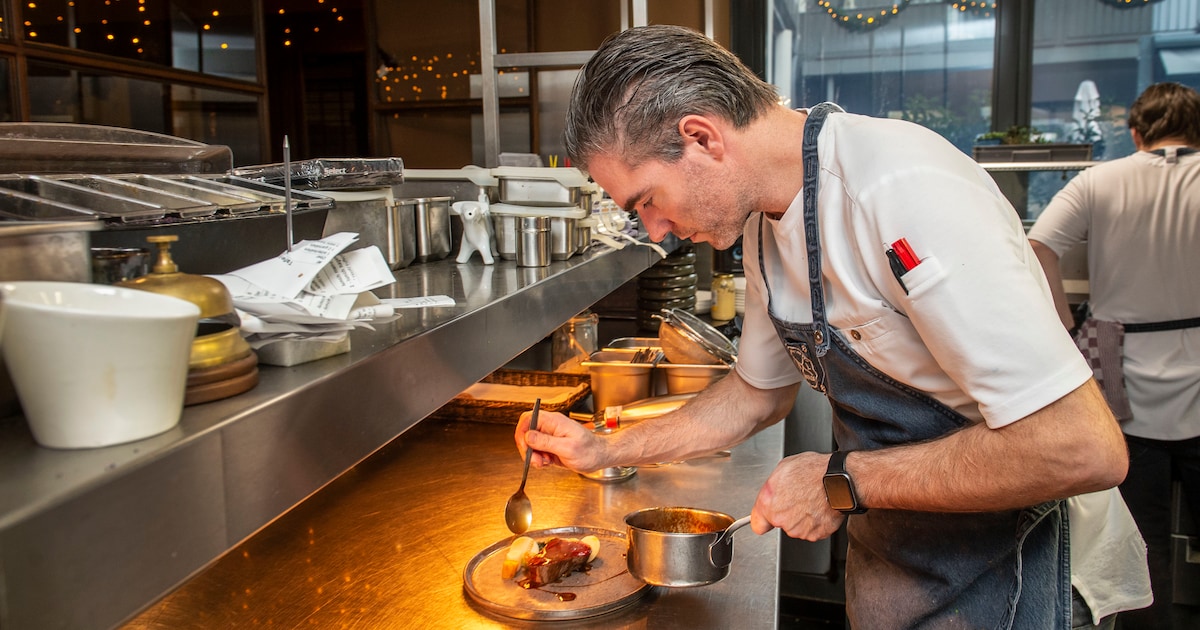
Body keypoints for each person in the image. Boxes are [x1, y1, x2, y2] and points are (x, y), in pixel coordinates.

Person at [515, 24, 1151, 628]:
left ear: (702, 137)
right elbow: (754, 395)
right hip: (907, 561)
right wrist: (604, 448)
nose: (654, 231)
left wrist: (842, 481)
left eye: (646, 201)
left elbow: (1079, 447)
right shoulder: (766, 226)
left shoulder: (902, 188)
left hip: (1025, 561)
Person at [1028, 82, 1200, 630]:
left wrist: (1067, 326)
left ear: (1134, 133)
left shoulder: (1098, 180)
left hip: (1123, 371)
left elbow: (1036, 247)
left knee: (1143, 537)